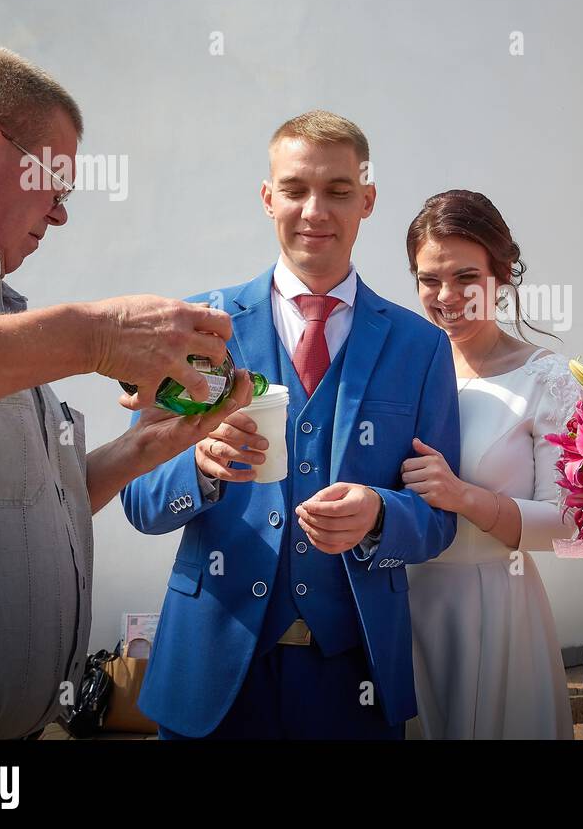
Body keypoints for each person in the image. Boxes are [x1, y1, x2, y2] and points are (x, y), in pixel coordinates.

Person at [0, 44, 245, 739]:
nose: (62, 214)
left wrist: (146, 446)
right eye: (55, 185)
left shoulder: (1, 313)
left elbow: (48, 499)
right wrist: (92, 337)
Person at [121, 110, 460, 739]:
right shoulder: (198, 327)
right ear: (267, 197)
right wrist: (198, 467)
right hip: (213, 668)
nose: (315, 210)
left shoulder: (421, 348)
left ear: (368, 200)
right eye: (296, 189)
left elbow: (440, 518)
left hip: (353, 672)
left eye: (338, 191)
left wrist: (381, 514)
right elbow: (139, 501)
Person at [400, 189, 581, 739]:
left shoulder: (548, 379)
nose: (446, 295)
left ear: (501, 276)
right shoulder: (397, 372)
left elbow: (570, 524)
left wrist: (463, 497)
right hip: (399, 606)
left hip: (495, 609)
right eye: (429, 279)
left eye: (466, 277)